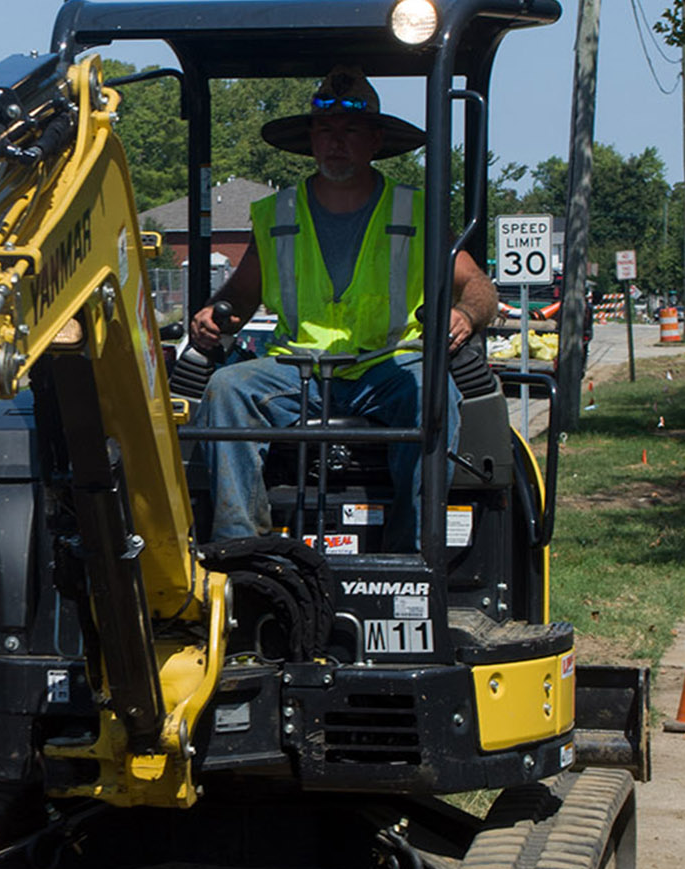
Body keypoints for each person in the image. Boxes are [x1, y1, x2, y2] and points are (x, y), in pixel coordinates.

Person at [188, 65, 497, 550]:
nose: (336, 142)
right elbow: (240, 297)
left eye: (350, 130)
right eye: (325, 130)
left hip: (389, 367)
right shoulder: (277, 215)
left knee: (432, 393)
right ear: (310, 140)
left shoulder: (415, 212)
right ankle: (241, 550)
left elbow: (477, 284)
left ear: (375, 140)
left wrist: (465, 314)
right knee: (227, 387)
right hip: (298, 371)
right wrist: (215, 312)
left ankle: (412, 556)